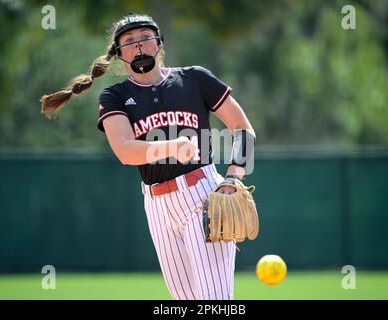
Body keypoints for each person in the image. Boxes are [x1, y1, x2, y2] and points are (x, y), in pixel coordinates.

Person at [41, 13, 256, 300]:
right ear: (119, 54)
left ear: (159, 43)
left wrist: (232, 178)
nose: (139, 46)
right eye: (129, 41)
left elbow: (243, 129)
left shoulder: (194, 79)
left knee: (213, 300)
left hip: (203, 195)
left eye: (145, 37)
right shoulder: (115, 96)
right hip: (157, 206)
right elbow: (125, 151)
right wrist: (171, 146)